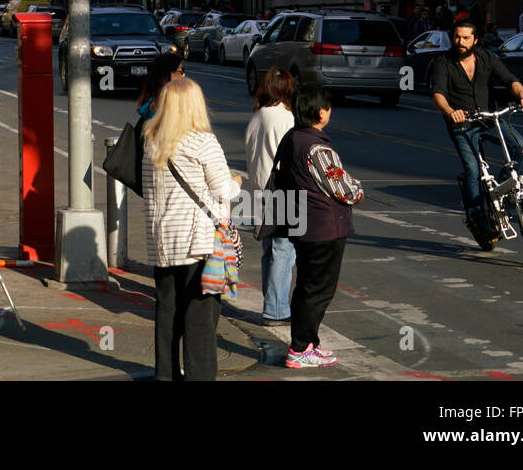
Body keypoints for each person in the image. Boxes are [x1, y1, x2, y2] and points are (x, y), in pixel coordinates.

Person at [141, 76, 240, 381]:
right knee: (200, 319)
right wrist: (236, 182)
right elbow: (223, 189)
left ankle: (166, 374)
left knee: (167, 315)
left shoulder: (151, 140)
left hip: (162, 242)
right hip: (198, 242)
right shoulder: (202, 141)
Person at [274, 84, 362, 368]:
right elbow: (344, 188)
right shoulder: (318, 148)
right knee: (318, 289)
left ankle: (308, 342)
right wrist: (358, 189)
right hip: (324, 228)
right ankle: (300, 349)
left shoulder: (292, 138)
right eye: (328, 107)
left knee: (307, 286)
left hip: (302, 223)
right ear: (321, 112)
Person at [429, 20, 523, 240]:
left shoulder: (486, 57)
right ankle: (478, 216)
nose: (461, 42)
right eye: (457, 37)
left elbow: (510, 80)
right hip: (462, 124)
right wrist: (450, 112)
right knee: (473, 169)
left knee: (521, 147)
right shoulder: (443, 63)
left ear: (475, 40)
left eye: (466, 38)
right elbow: (438, 94)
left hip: (488, 119)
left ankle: (501, 195)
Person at [245, 67, 297, 327]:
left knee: (271, 249)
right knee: (284, 250)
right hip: (280, 190)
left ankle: (272, 303)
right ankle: (276, 309)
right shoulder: (285, 118)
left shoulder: (257, 116)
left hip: (258, 189)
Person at [135, 51, 185, 124]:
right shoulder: (168, 107)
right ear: (166, 75)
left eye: (183, 70)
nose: (183, 75)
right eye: (180, 71)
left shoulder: (151, 104)